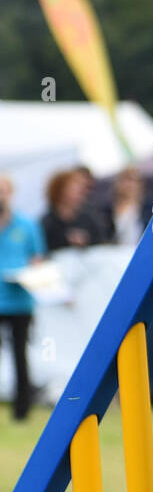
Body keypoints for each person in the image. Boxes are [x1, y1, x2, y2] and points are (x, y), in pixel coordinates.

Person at [0, 173, 46, 420]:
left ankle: (22, 410)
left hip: (19, 299)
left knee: (20, 354)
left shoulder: (27, 225)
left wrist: (28, 273)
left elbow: (38, 258)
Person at [41, 168, 106, 250]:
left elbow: (101, 242)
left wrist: (87, 240)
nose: (81, 191)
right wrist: (65, 239)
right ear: (60, 190)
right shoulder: (47, 222)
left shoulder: (90, 216)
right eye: (74, 186)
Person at [106, 166, 149, 245]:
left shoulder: (147, 209)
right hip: (114, 253)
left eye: (135, 181)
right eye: (127, 180)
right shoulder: (107, 209)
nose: (130, 185)